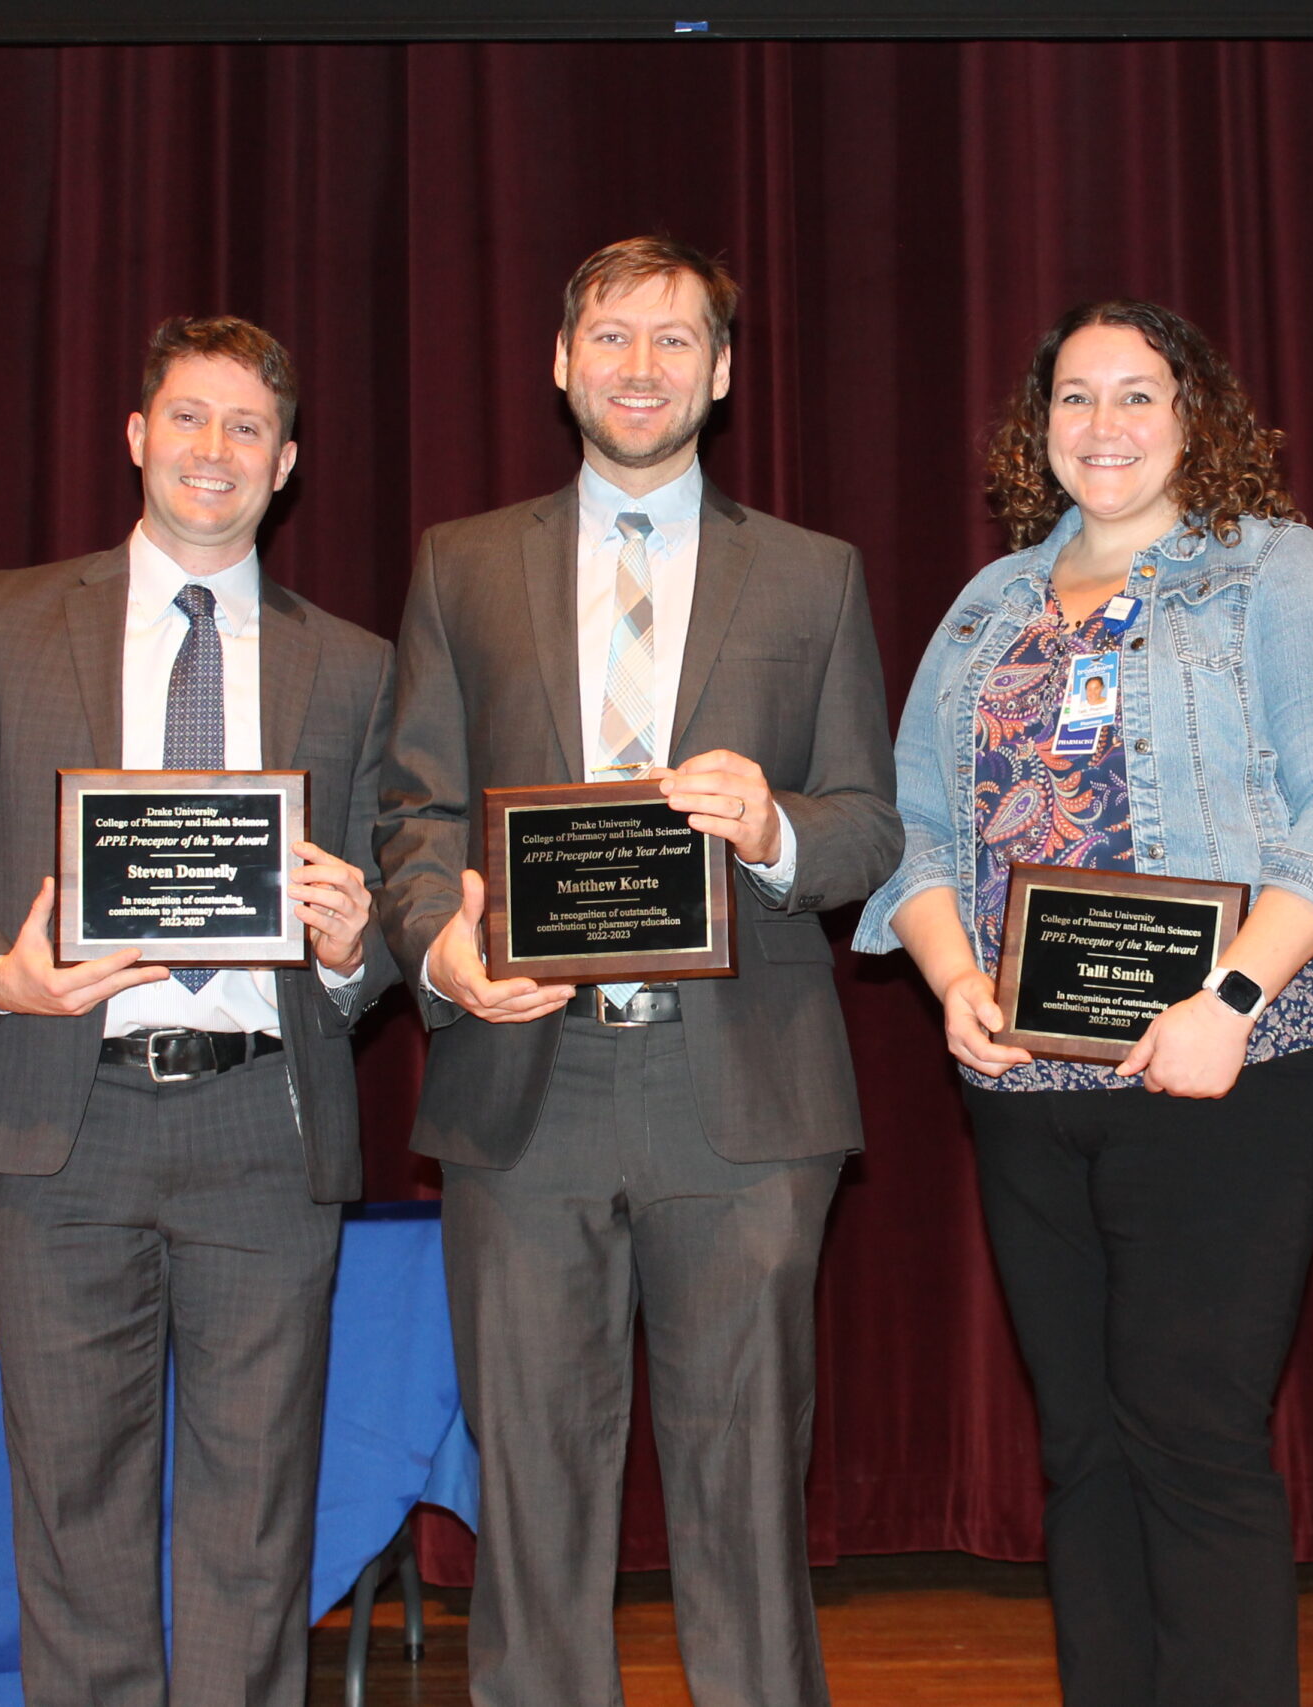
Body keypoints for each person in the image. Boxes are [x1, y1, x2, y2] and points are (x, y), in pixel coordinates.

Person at [853, 300, 1313, 1707]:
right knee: (1085, 1448)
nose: (1106, 426)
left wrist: (1227, 998)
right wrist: (952, 977)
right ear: (1038, 430)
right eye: (1076, 399)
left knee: (1192, 1436)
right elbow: (915, 827)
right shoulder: (988, 606)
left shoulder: (1281, 576)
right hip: (1031, 1092)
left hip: (1236, 1070)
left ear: (1195, 414)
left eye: (1139, 394)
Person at [374, 235, 899, 1707]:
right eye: (613, 335)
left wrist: (781, 828)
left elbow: (870, 824)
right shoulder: (460, 563)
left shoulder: (813, 576)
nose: (642, 366)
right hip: (522, 1080)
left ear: (723, 376)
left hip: (741, 1097)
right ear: (562, 361)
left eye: (677, 341)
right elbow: (413, 810)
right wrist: (442, 944)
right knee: (533, 1501)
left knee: (744, 1498)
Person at [0, 315, 397, 1705]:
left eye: (248, 430)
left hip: (268, 1130)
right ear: (136, 435)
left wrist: (356, 947)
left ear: (288, 465)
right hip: (59, 1117)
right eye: (190, 419)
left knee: (256, 1518)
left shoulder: (354, 663)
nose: (215, 451)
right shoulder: (5, 616)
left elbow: (395, 896)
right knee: (75, 1511)